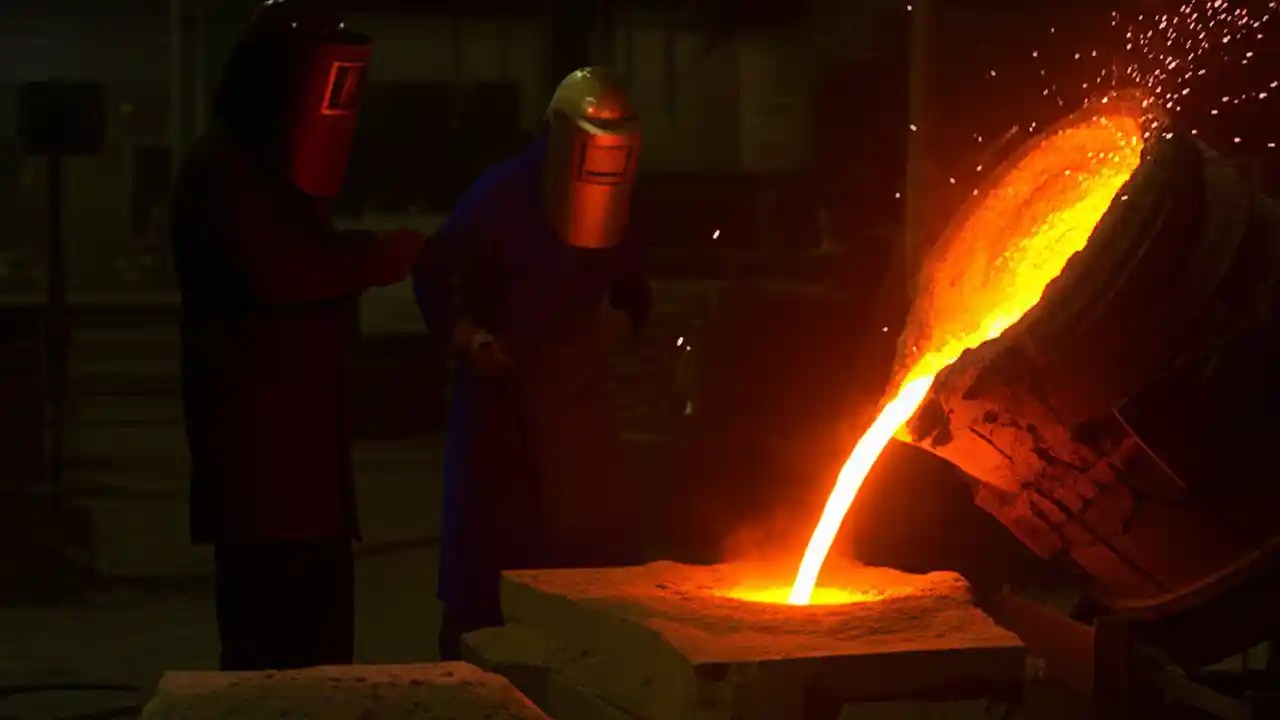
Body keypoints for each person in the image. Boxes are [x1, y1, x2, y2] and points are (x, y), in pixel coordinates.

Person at [169, 1, 425, 671]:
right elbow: (285, 270)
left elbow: (304, 256)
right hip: (261, 480)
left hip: (305, 482)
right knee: (269, 663)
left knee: (320, 661)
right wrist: (378, 257)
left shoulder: (268, 173)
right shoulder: (223, 172)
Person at [413, 67, 652, 659]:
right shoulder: (499, 197)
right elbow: (435, 273)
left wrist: (627, 317)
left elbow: (630, 281)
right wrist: (470, 340)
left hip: (576, 399)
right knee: (492, 558)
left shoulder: (618, 199)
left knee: (582, 561)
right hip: (502, 398)